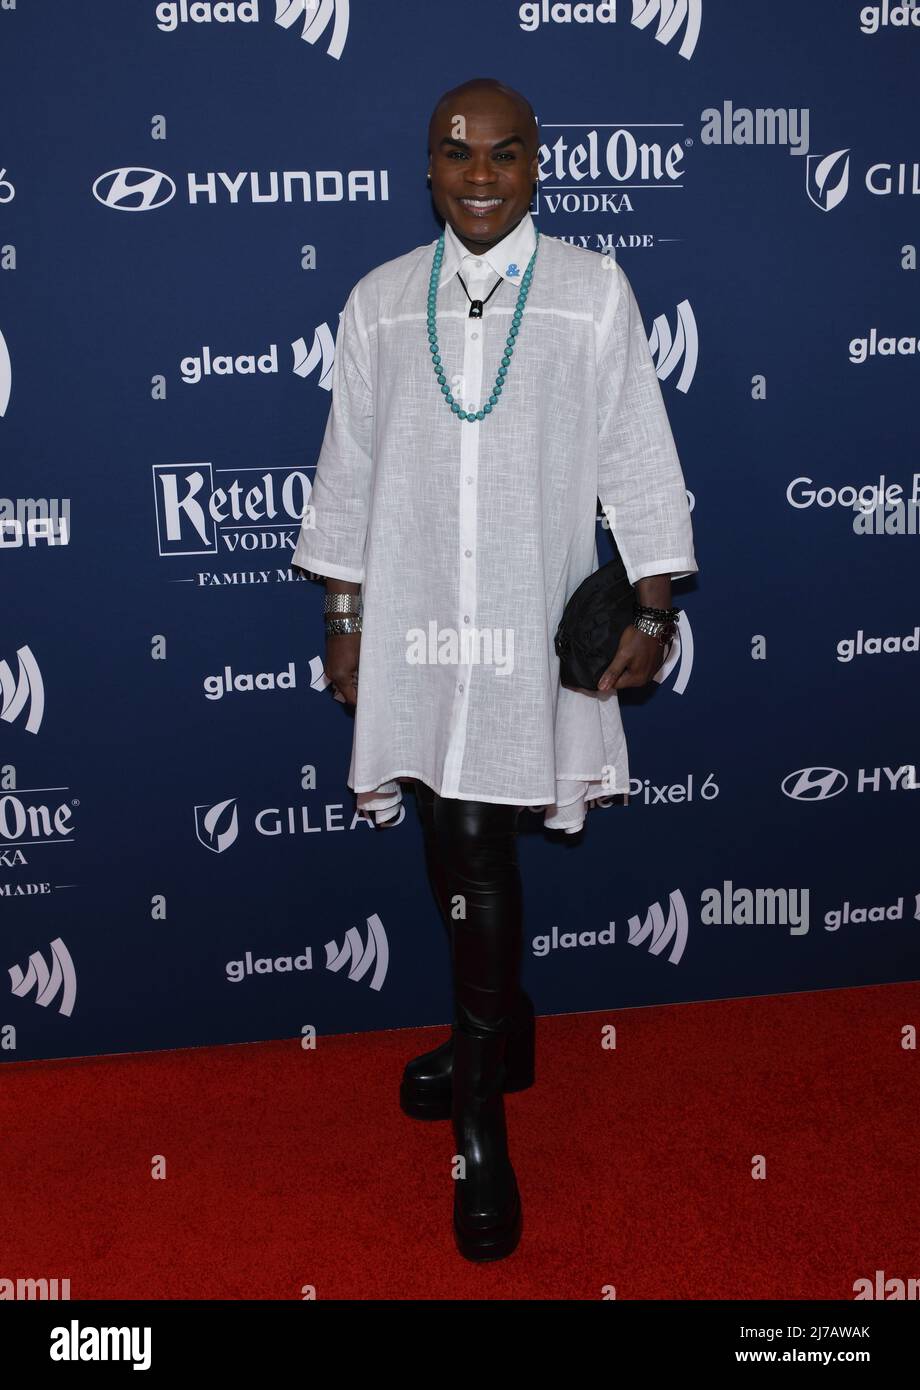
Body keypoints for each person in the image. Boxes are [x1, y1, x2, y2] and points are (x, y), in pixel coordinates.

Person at [290, 77, 698, 1262]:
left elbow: (634, 441)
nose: (479, 175)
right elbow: (350, 468)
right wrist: (345, 613)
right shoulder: (376, 304)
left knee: (470, 833)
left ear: (536, 167)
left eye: (504, 155)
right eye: (456, 154)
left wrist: (657, 606)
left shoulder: (587, 292)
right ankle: (502, 1031)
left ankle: (478, 1113)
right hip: (417, 621)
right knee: (443, 821)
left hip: (527, 623)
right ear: (426, 167)